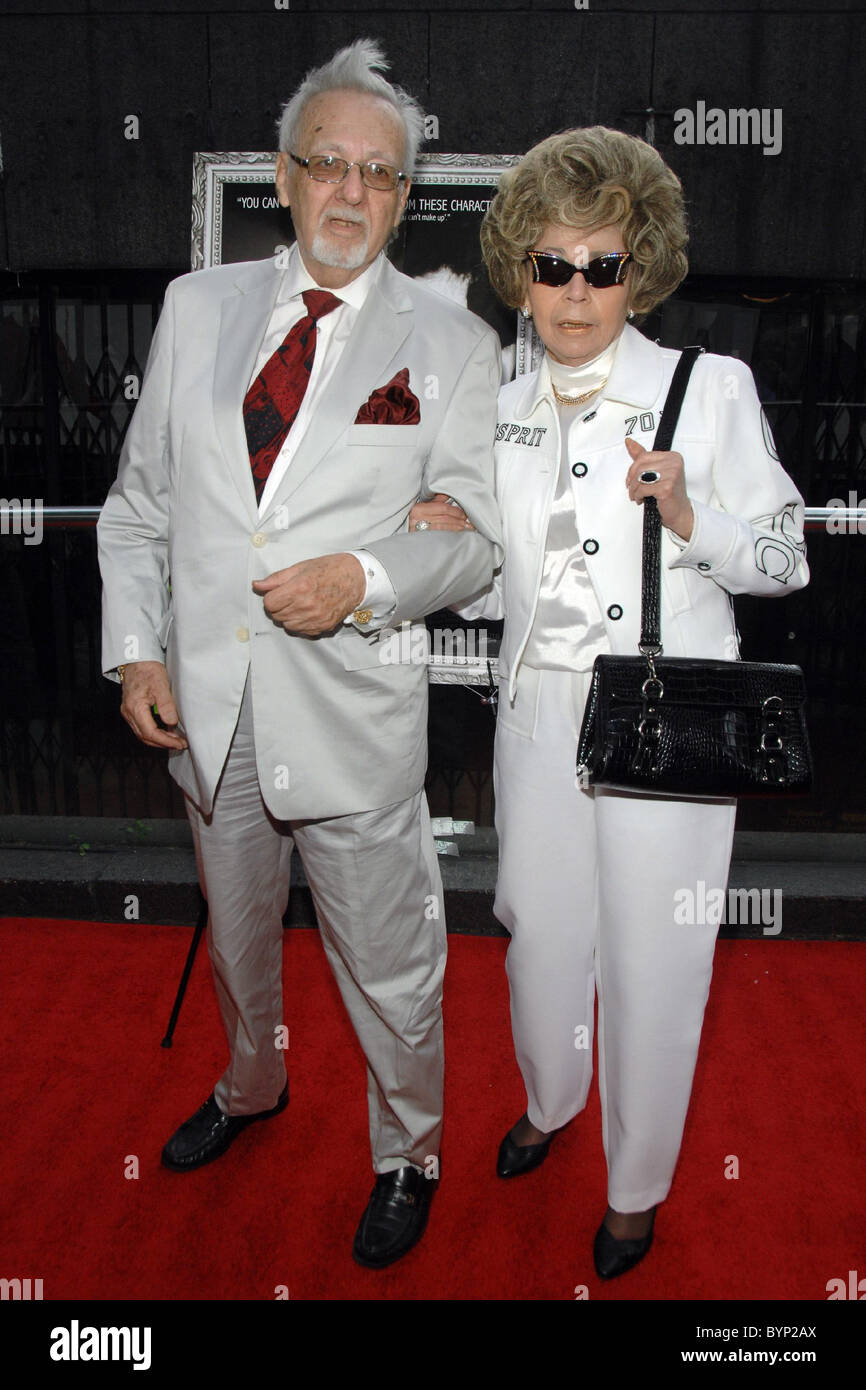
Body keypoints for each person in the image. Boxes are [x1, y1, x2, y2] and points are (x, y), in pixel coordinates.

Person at [97, 39, 502, 1270]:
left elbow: (476, 544)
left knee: (389, 968)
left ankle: (408, 1150)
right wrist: (134, 654)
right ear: (282, 175)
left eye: (378, 175)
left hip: (353, 721)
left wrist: (370, 578)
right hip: (208, 712)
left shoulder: (452, 346)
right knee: (236, 942)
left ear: (401, 194)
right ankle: (250, 1084)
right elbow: (139, 510)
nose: (349, 191)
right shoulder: (194, 310)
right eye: (326, 162)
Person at [410, 126, 808, 1279]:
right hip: (535, 719)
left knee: (656, 959)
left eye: (601, 265)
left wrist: (695, 520)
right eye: (551, 264)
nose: (575, 291)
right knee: (534, 935)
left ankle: (634, 1186)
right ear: (518, 271)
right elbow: (499, 571)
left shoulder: (707, 389)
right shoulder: (495, 395)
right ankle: (551, 1095)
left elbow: (785, 557)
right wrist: (447, 537)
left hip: (665, 722)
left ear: (640, 270)